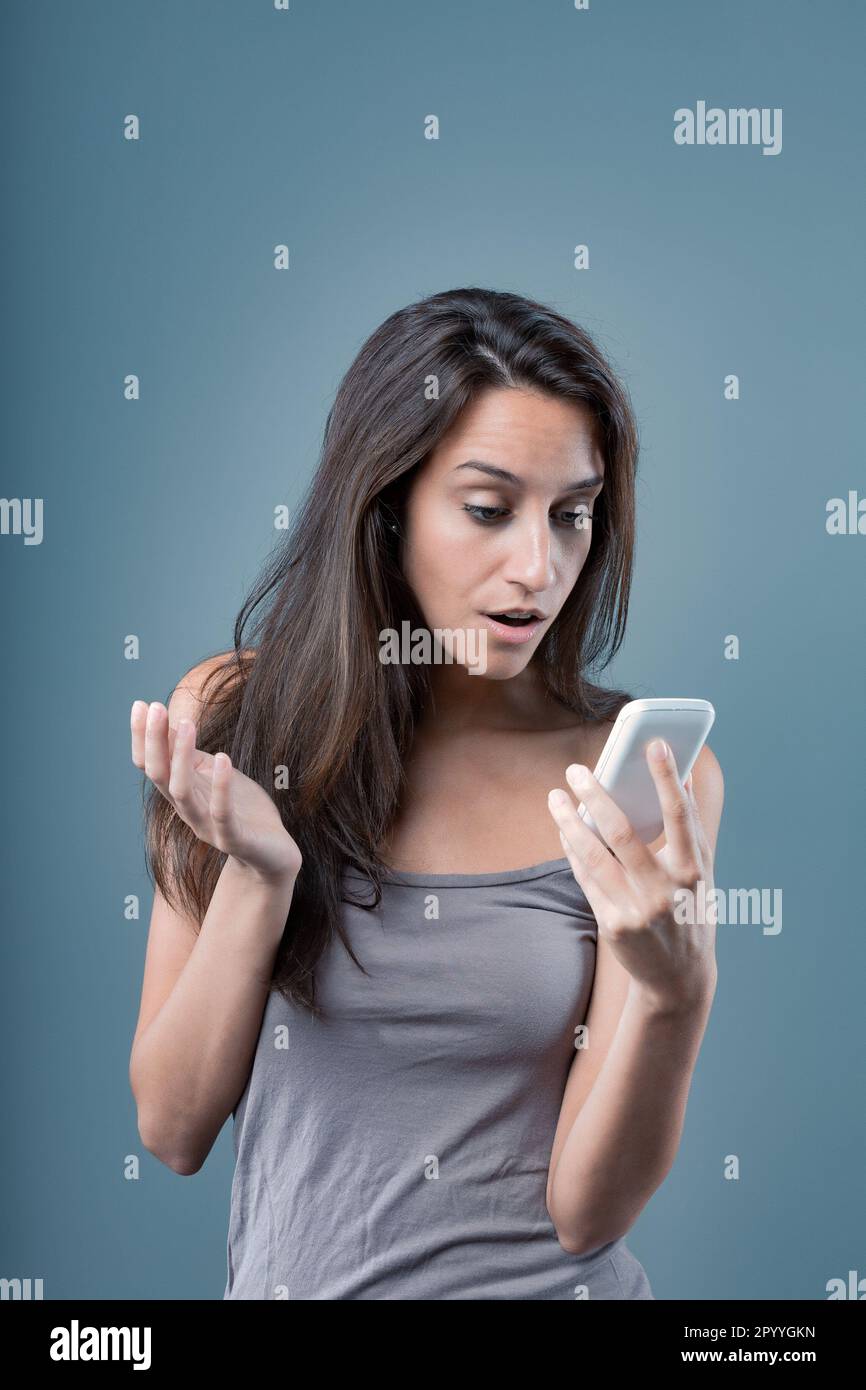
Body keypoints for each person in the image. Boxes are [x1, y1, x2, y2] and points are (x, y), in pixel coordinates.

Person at [128, 286, 724, 1300]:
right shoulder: (238, 718)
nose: (538, 567)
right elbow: (174, 1126)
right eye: (488, 510)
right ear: (387, 500)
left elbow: (586, 1210)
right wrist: (261, 875)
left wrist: (674, 993)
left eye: (571, 515)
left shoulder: (637, 774)